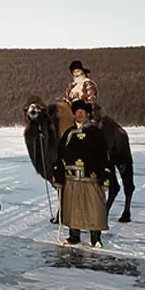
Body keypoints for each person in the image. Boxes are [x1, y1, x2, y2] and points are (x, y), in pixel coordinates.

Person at [51, 99, 110, 248]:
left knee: (94, 208)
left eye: (83, 112)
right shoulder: (69, 133)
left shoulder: (95, 133)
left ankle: (95, 237)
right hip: (71, 178)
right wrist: (57, 174)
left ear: (88, 114)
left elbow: (103, 155)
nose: (80, 115)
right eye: (77, 112)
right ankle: (74, 236)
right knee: (73, 208)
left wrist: (104, 175)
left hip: (91, 177)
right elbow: (60, 155)